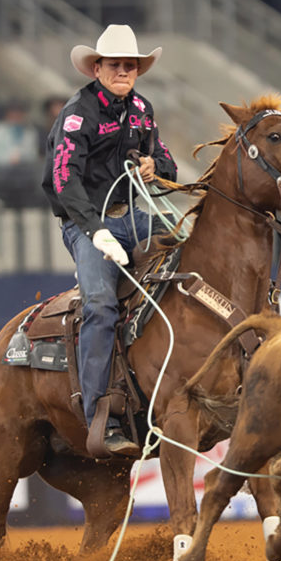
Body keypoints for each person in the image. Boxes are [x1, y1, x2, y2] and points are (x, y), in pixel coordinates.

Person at [41, 24, 177, 457]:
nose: (124, 70)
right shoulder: (78, 114)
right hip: (86, 223)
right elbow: (63, 181)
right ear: (97, 67)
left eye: (130, 65)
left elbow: (167, 164)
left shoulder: (142, 109)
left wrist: (156, 167)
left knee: (188, 246)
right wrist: (96, 230)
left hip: (133, 217)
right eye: (116, 64)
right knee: (100, 304)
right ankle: (98, 411)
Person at [0, 102, 41, 167]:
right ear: (7, 114)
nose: (16, 115)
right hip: (1, 170)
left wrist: (21, 159)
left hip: (24, 169)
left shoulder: (30, 131)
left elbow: (33, 155)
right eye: (13, 112)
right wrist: (9, 160)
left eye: (19, 113)